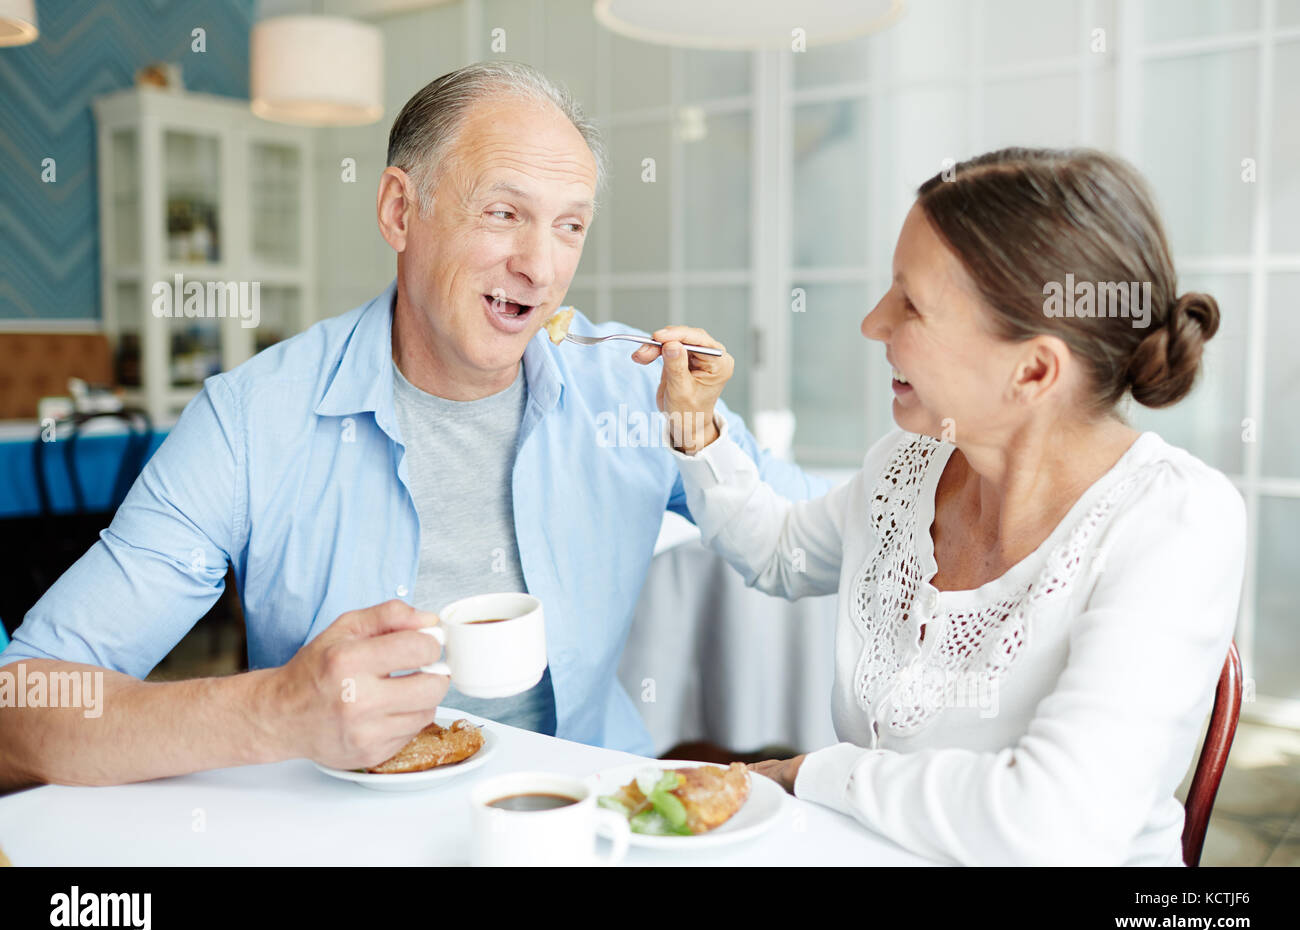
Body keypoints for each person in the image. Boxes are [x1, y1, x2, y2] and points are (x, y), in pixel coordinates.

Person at [0, 61, 825, 790]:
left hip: (590, 825)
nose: (541, 266)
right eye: (504, 212)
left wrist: (951, 447)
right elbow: (23, 700)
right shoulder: (252, 421)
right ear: (400, 210)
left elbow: (815, 542)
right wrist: (276, 709)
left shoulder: (636, 394)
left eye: (570, 224)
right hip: (339, 836)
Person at [661, 147, 1246, 865]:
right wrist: (695, 424)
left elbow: (1055, 823)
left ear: (1033, 370)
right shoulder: (908, 466)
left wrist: (805, 773)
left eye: (910, 302)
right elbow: (779, 554)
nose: (873, 322)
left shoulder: (1177, 523)